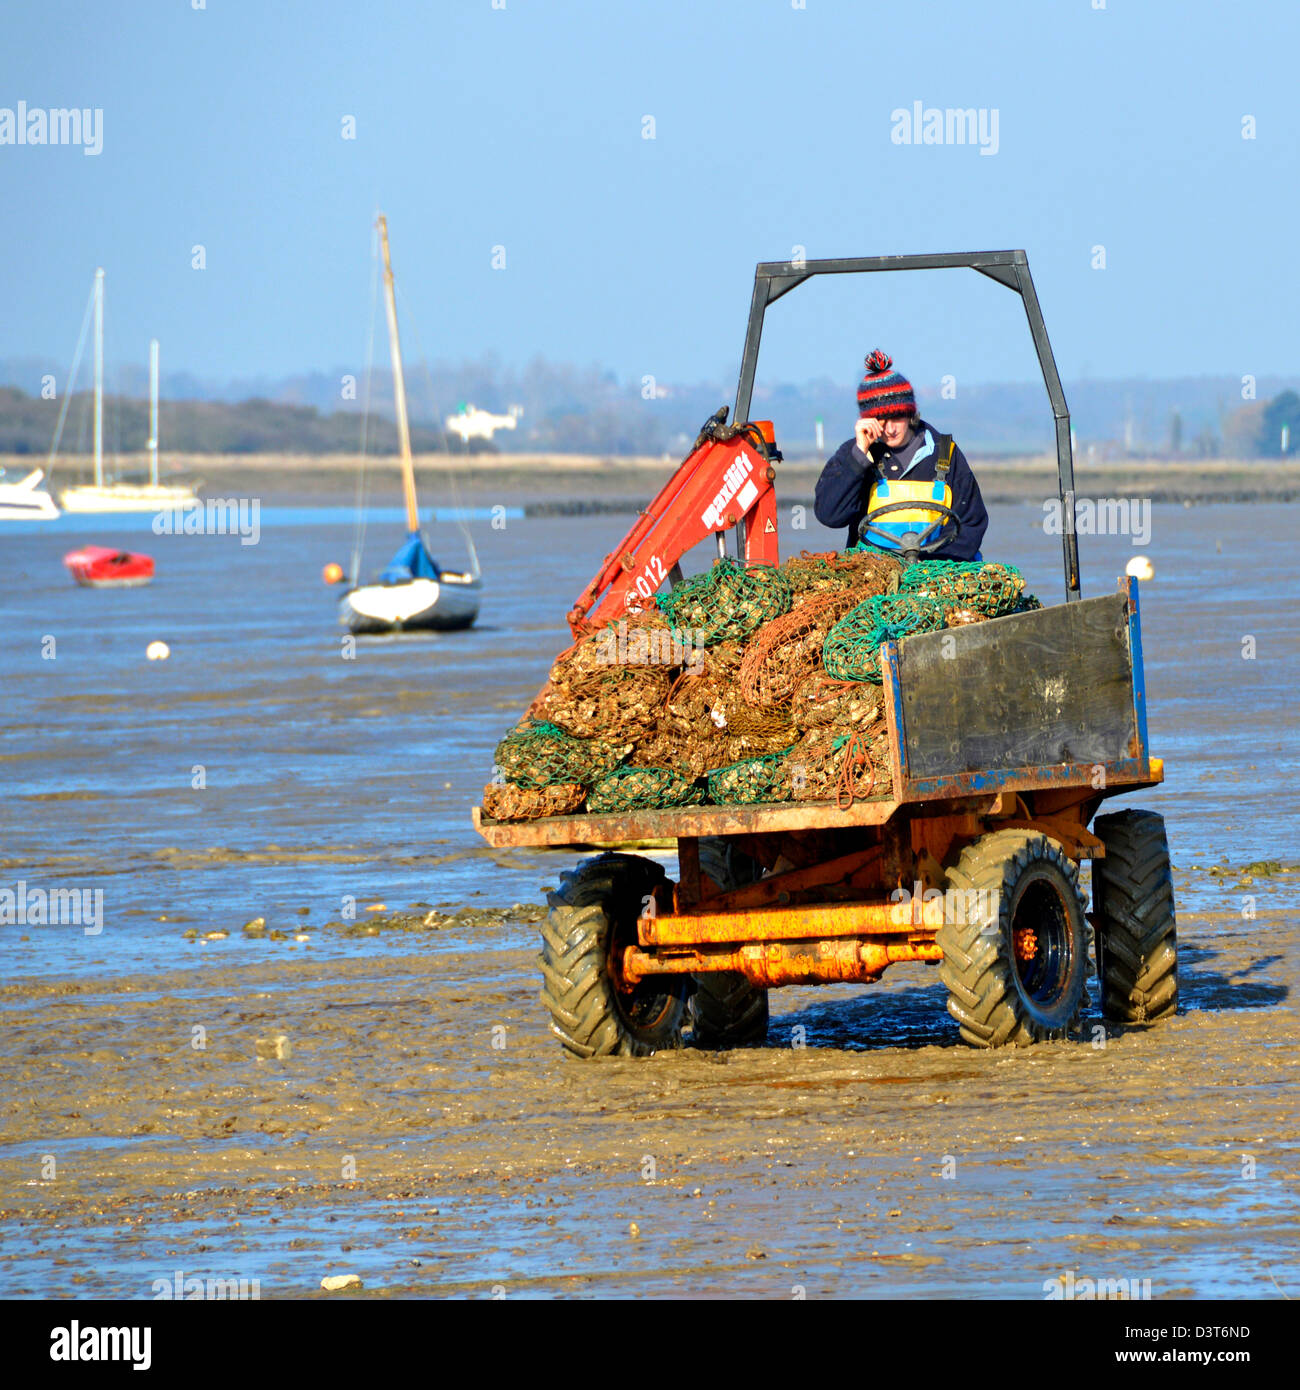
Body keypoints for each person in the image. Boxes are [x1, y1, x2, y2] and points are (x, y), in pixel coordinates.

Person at [814, 350, 988, 560]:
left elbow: (971, 521)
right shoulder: (854, 454)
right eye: (880, 420)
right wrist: (859, 457)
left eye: (896, 417)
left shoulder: (946, 453)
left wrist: (931, 571)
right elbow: (829, 515)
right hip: (875, 574)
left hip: (937, 573)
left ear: (910, 413)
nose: (889, 429)